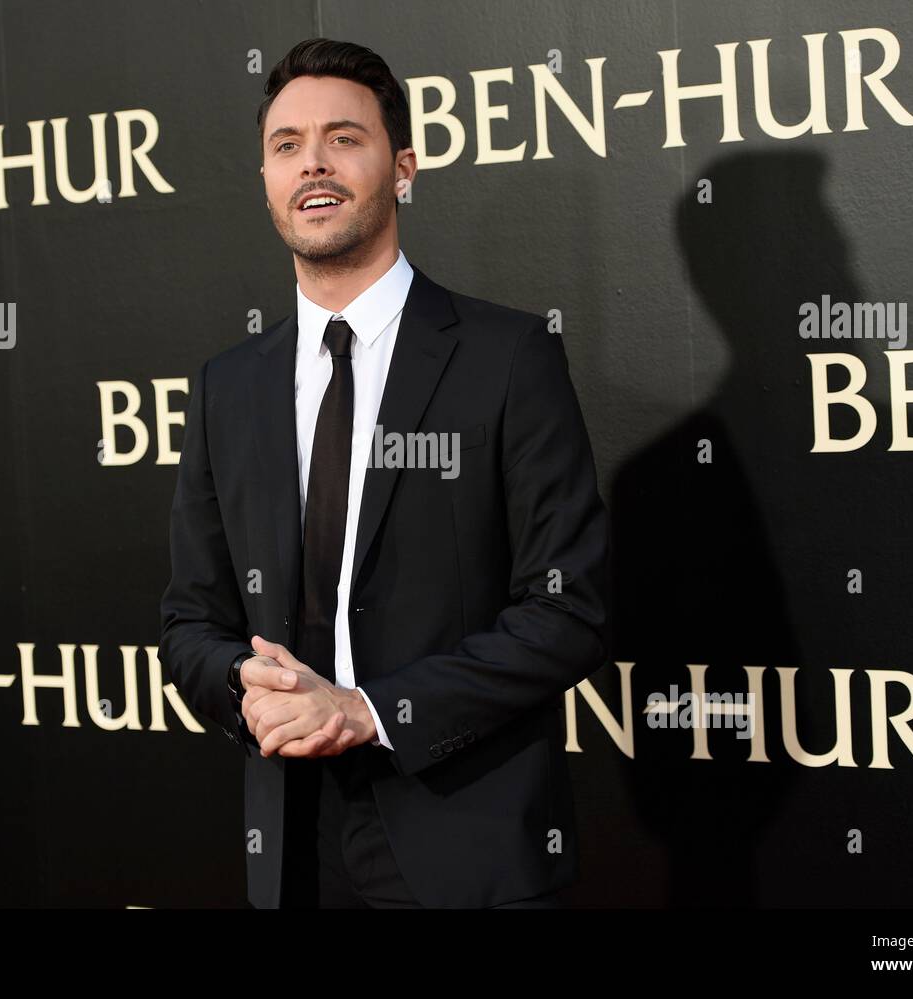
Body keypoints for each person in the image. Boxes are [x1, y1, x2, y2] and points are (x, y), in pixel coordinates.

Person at [158, 37, 609, 908]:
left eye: (343, 138)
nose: (312, 164)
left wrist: (369, 709)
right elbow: (189, 617)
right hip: (290, 846)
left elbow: (571, 610)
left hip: (463, 843)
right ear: (264, 178)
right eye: (286, 145)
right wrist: (240, 686)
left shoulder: (507, 356)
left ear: (403, 168)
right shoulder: (228, 385)